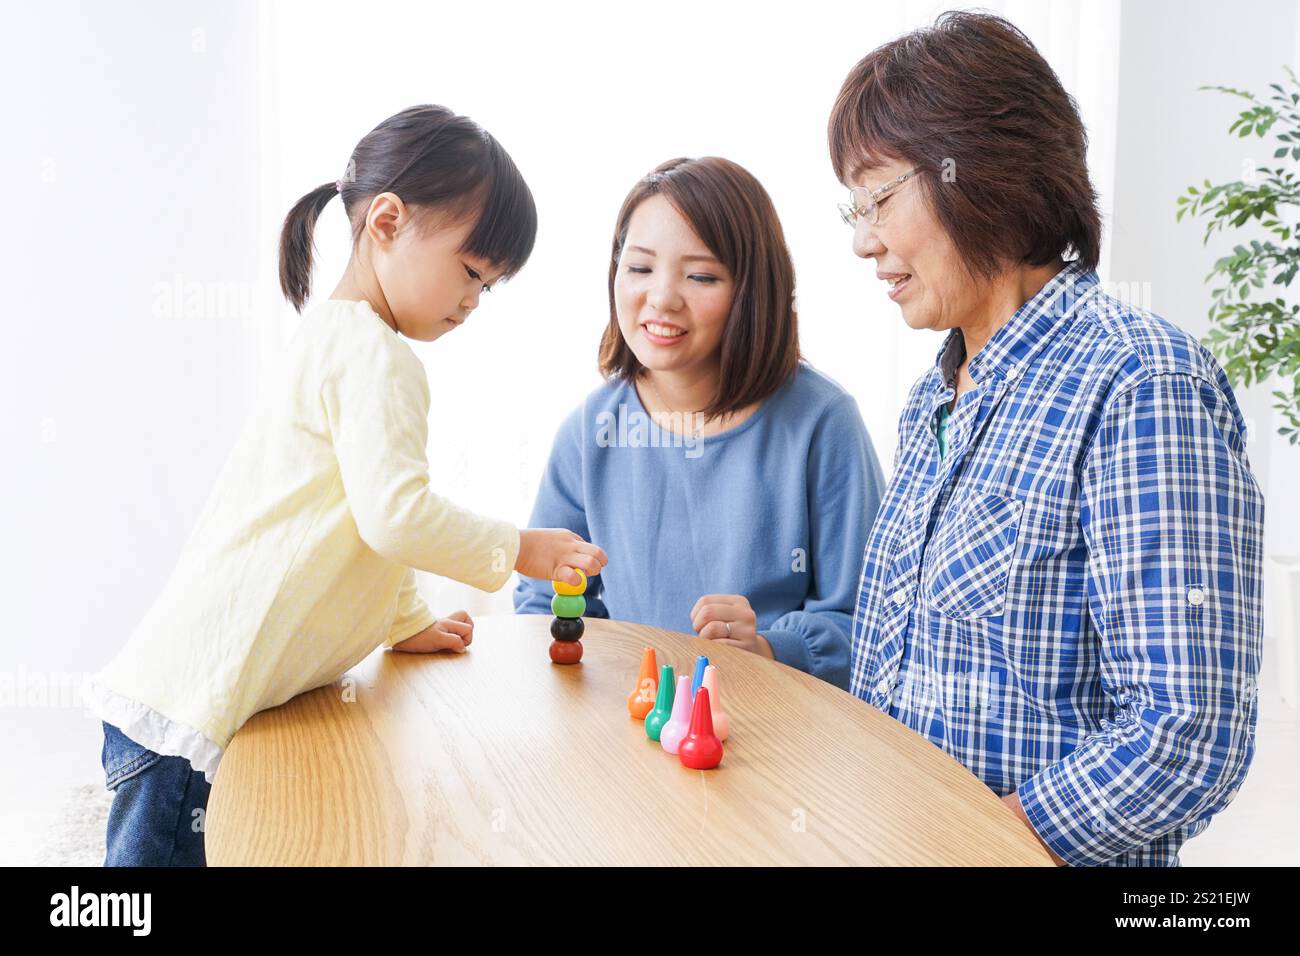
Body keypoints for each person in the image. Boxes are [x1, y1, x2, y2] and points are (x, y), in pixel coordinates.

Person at [84, 105, 608, 866]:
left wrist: (404, 620)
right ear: (387, 222)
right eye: (470, 272)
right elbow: (396, 517)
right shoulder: (378, 357)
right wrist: (519, 548)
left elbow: (352, 522)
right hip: (189, 715)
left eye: (489, 288)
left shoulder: (333, 334)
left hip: (186, 692)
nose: (472, 302)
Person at [831, 12, 1264, 866]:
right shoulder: (932, 399)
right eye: (853, 207)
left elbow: (1187, 728)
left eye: (878, 199)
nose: (861, 241)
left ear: (980, 173)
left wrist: (987, 843)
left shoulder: (1140, 385)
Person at [515, 157, 884, 690]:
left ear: (753, 290)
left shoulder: (823, 423)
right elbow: (544, 599)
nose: (662, 298)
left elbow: (872, 624)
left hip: (778, 723)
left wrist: (767, 648)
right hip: (631, 720)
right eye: (640, 268)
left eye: (702, 276)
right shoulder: (590, 431)